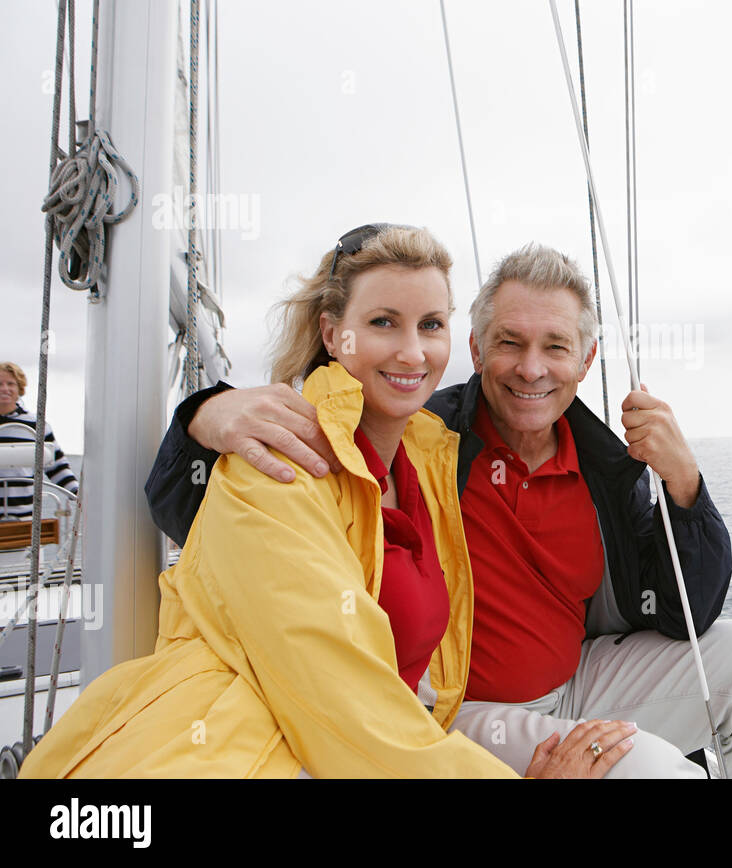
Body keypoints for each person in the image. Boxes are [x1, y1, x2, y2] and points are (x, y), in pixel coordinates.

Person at [145, 243, 732, 778]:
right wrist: (204, 415)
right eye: (509, 342)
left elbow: (690, 611)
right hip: (465, 712)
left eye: (554, 346)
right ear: (475, 350)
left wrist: (685, 488)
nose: (531, 368)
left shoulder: (604, 464)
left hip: (579, 681)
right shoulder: (426, 440)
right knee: (648, 771)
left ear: (585, 359)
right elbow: (206, 515)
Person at [20, 225, 633, 778]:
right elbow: (341, 698)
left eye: (430, 325)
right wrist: (200, 417)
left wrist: (682, 485)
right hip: (229, 754)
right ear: (332, 333)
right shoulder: (278, 463)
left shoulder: (433, 456)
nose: (413, 352)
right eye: (383, 322)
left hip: (360, 747)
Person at [0, 361, 79, 520]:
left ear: (19, 388)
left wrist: (78, 494)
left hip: (24, 520)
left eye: (11, 384)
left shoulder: (37, 425)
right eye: (0, 384)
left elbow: (57, 466)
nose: (5, 389)